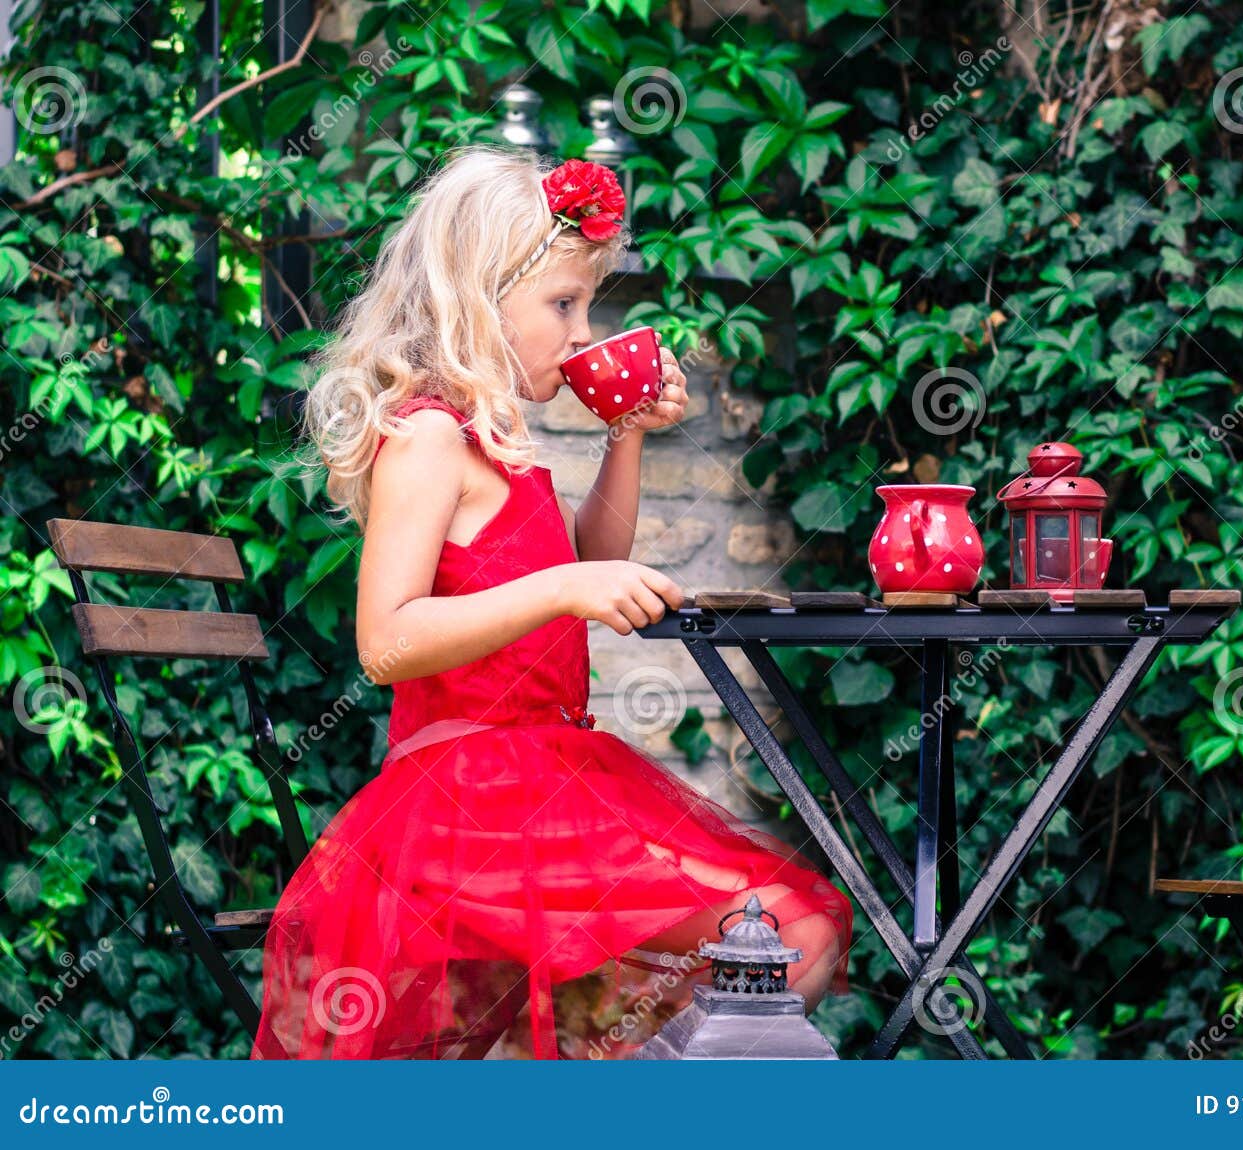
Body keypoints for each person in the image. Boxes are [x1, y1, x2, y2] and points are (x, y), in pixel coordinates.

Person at [251, 147, 852, 1060]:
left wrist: (625, 439)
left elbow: (588, 561)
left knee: (788, 935)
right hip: (467, 802)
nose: (581, 334)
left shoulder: (505, 445)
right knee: (778, 931)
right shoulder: (425, 438)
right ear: (476, 300)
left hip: (556, 777)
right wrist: (566, 586)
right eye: (561, 305)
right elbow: (386, 639)